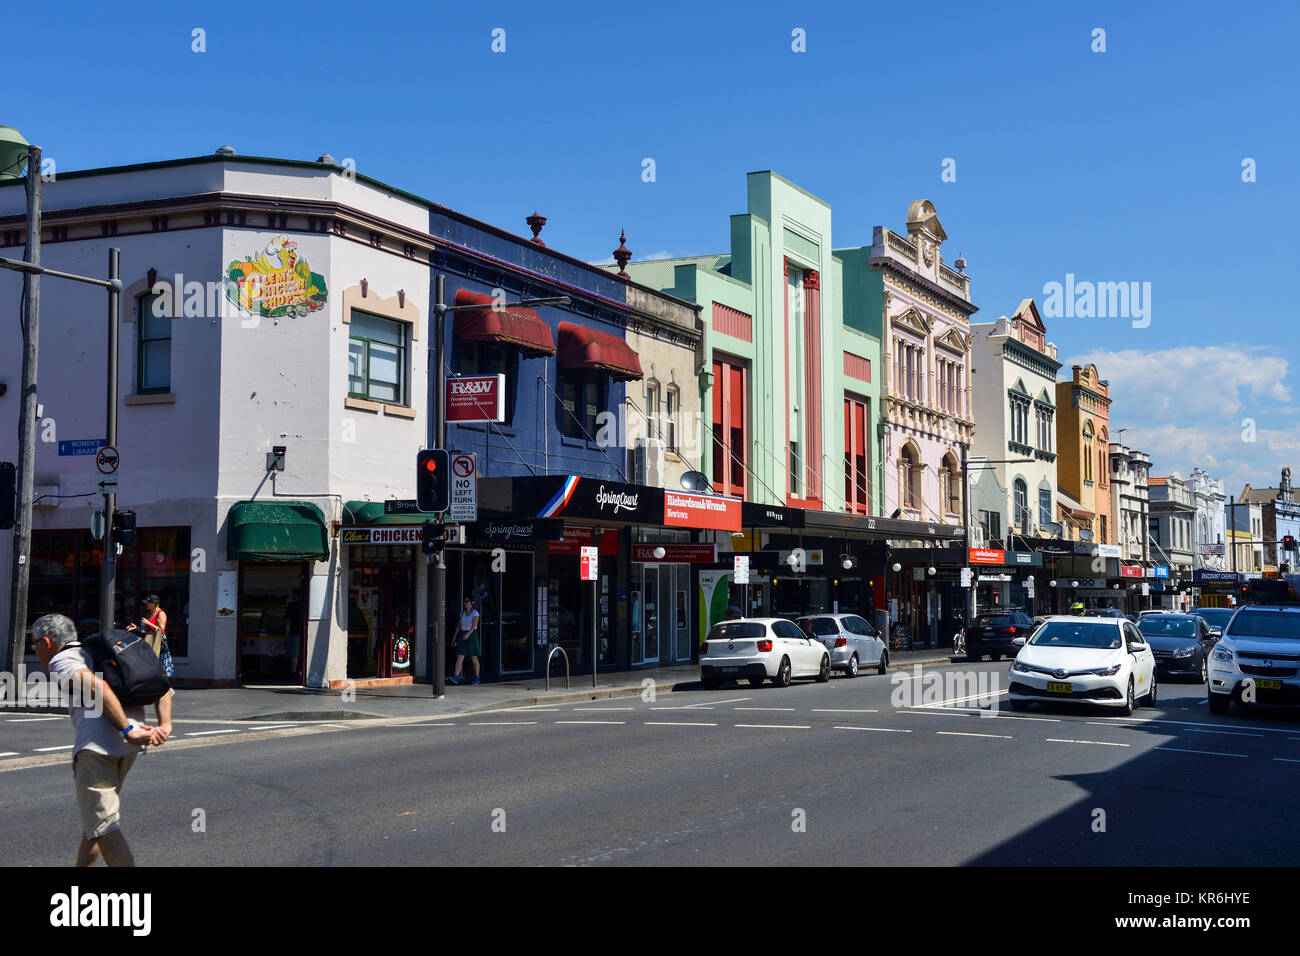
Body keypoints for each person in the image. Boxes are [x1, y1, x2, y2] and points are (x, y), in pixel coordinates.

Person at [33, 612, 172, 867]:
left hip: (97, 750)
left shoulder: (64, 660)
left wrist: (126, 730)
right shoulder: (101, 653)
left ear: (47, 643)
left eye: (34, 643)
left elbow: (99, 688)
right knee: (96, 824)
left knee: (105, 828)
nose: (35, 650)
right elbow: (160, 681)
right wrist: (165, 724)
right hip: (128, 750)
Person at [449, 597, 481, 685]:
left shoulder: (475, 613)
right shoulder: (462, 613)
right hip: (462, 635)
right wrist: (454, 638)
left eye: (467, 601)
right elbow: (458, 627)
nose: (465, 603)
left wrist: (468, 634)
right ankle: (455, 676)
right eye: (464, 601)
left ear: (471, 603)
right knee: (460, 657)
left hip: (471, 635)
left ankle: (477, 677)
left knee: (474, 658)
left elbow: (474, 626)